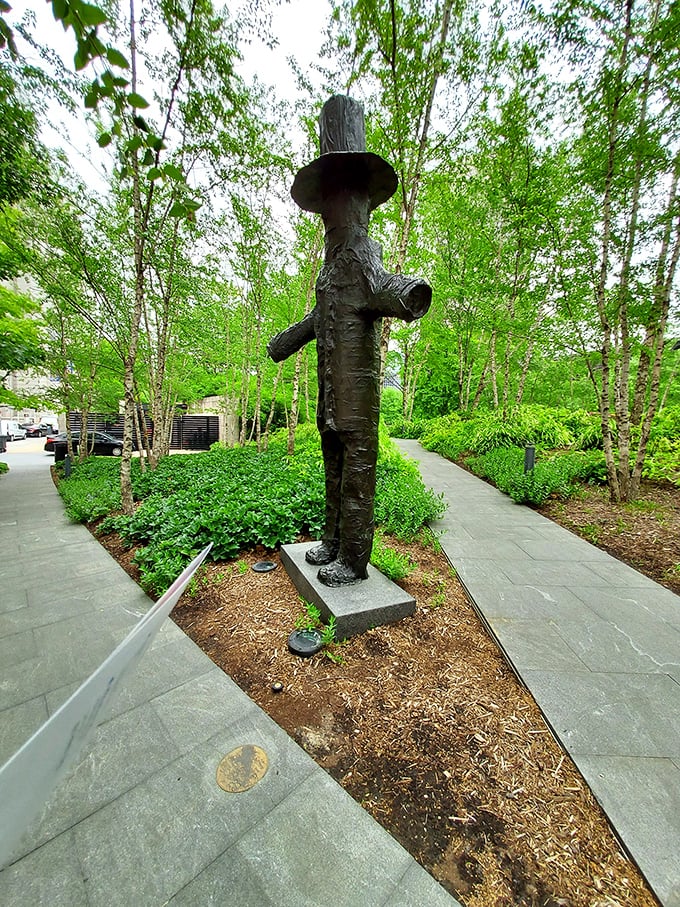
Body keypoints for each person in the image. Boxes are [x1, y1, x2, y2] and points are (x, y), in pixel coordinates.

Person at [267, 95, 431, 586]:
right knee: (334, 474)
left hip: (357, 403)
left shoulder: (361, 259)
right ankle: (333, 542)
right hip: (330, 399)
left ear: (356, 202)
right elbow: (319, 319)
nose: (332, 210)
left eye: (340, 198)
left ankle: (355, 560)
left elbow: (386, 287)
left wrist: (411, 292)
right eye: (328, 199)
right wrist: (284, 342)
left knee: (358, 476)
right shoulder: (329, 270)